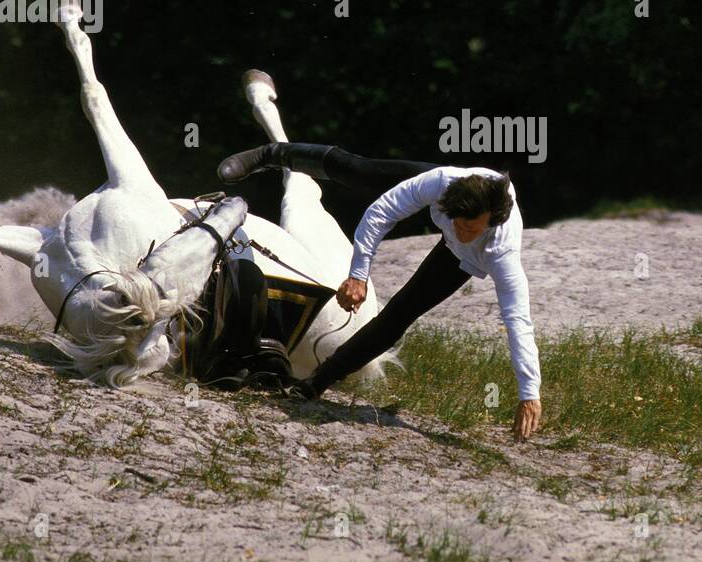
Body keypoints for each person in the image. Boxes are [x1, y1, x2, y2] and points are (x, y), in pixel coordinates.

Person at [217, 143, 543, 441]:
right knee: (360, 170)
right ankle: (271, 154)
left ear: (491, 224)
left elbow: (517, 320)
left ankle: (314, 384)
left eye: (470, 228)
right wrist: (358, 275)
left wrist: (529, 393)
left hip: (464, 259)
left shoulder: (502, 253)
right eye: (456, 223)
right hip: (445, 187)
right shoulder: (441, 183)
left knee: (398, 315)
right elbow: (380, 213)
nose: (460, 231)